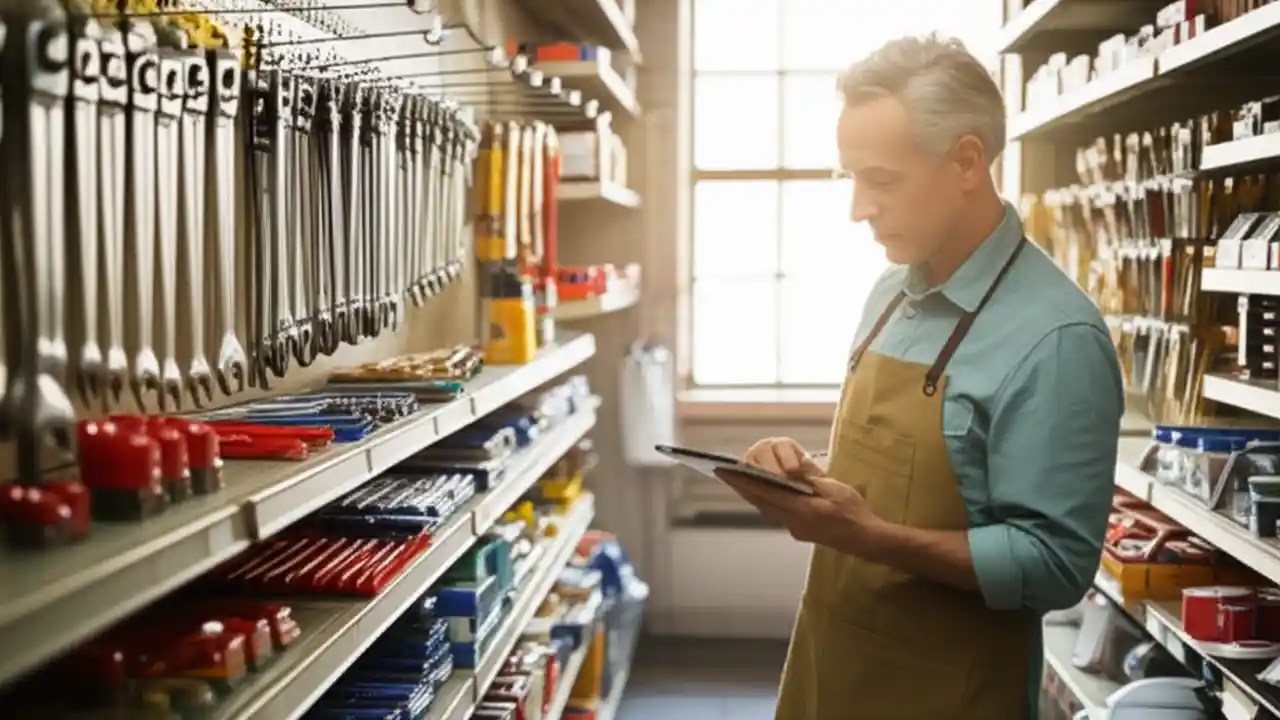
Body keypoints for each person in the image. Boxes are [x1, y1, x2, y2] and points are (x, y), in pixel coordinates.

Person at [715, 35, 1124, 720]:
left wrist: (870, 537)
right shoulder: (889, 296)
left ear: (967, 161)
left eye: (882, 179)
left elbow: (1055, 563)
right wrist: (805, 474)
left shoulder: (1057, 339)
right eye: (850, 179)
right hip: (830, 668)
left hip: (947, 695)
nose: (858, 209)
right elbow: (916, 477)